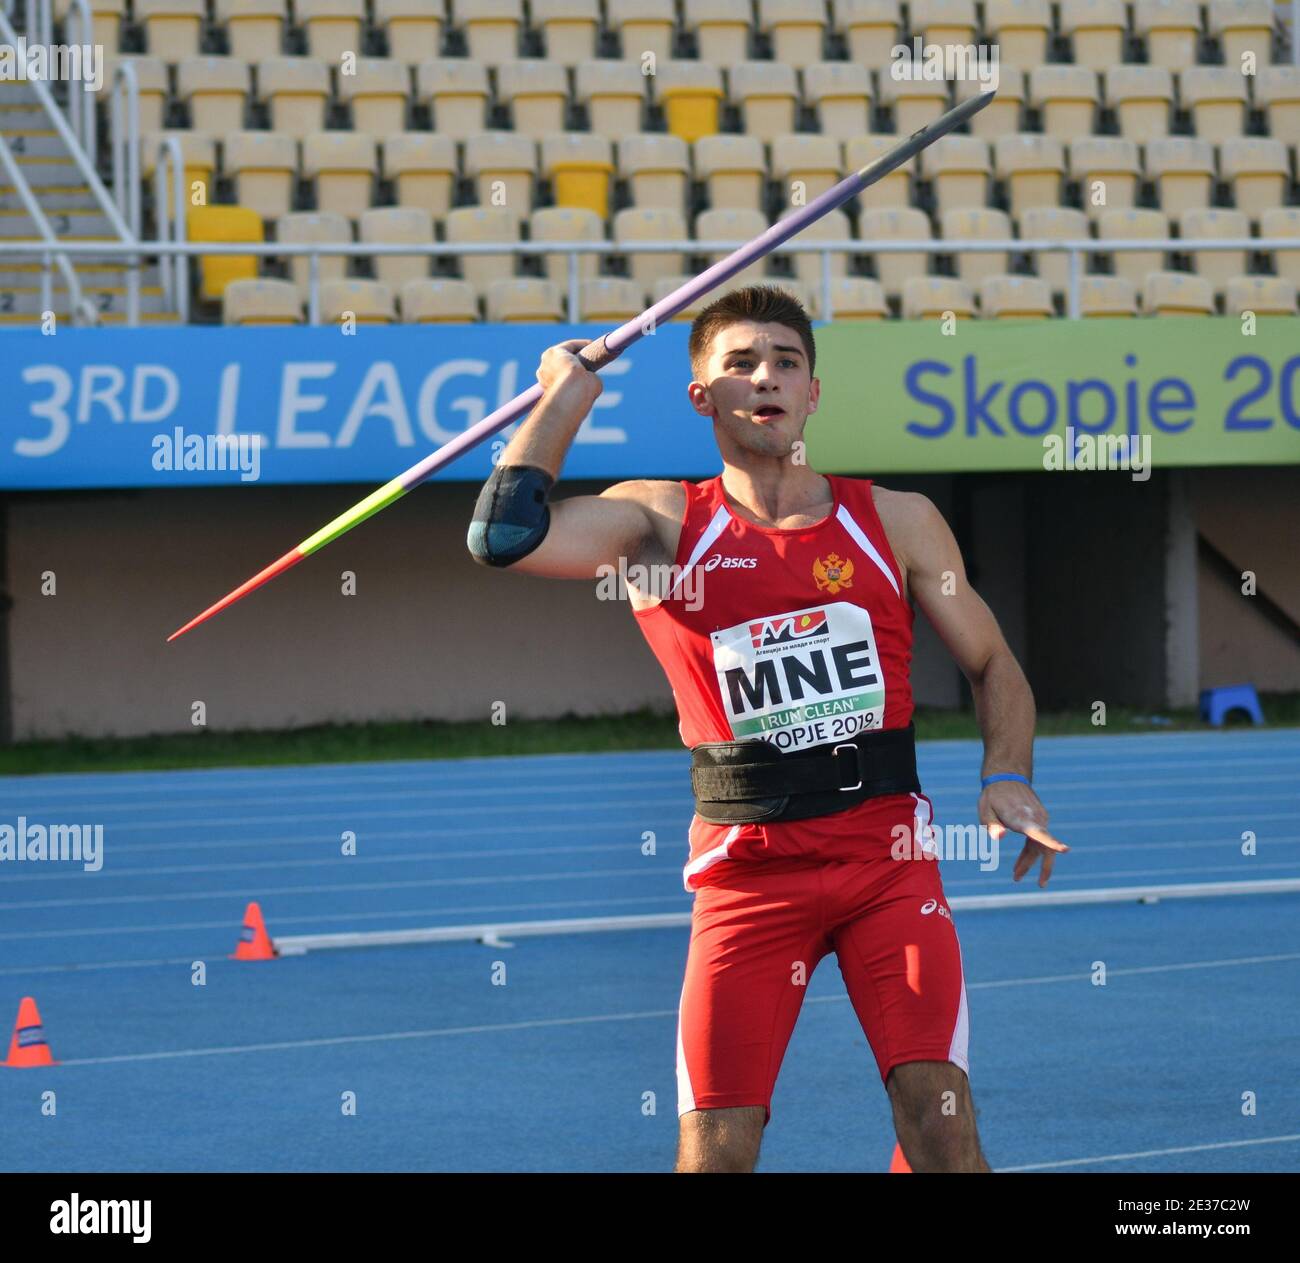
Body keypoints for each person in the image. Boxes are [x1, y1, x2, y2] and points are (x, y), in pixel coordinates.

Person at [466, 284, 1068, 1173]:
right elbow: (503, 536)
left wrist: (1005, 772)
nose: (767, 377)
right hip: (746, 877)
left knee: (941, 1125)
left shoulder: (896, 520)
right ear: (702, 397)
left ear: (813, 392)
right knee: (717, 1150)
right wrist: (566, 391)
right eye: (740, 364)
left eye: (786, 361)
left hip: (885, 863)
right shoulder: (660, 525)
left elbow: (992, 663)